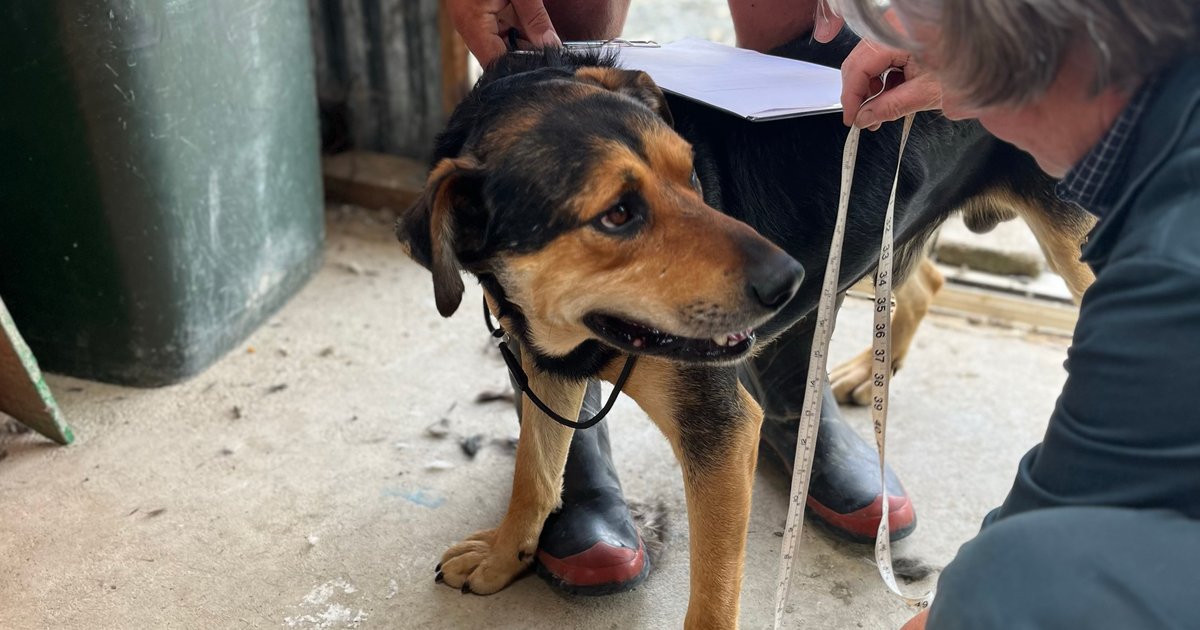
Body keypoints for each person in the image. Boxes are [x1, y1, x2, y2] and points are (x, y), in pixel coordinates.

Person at [443, 0, 919, 597]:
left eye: (684, 173)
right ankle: (562, 476)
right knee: (545, 325)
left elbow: (722, 433)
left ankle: (790, 385)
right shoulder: (490, 203)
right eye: (620, 214)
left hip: (935, 119)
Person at [830, 0, 1200, 628]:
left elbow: (1047, 537)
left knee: (1005, 583)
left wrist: (953, 610)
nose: (950, 104)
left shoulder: (1171, 278)